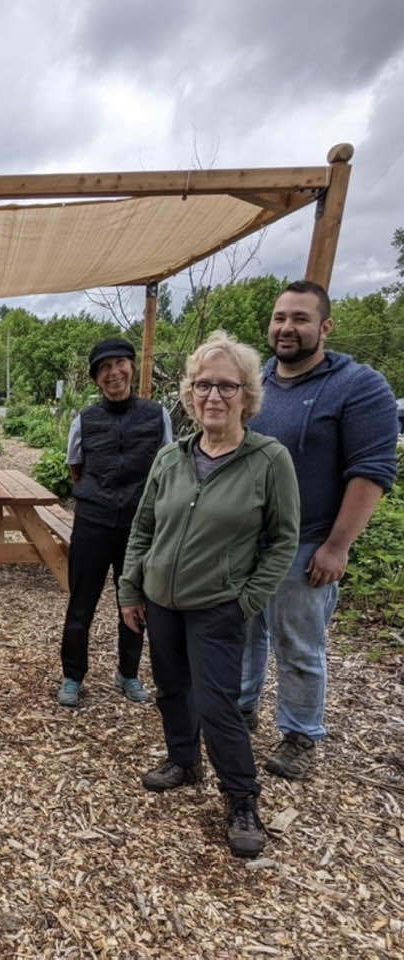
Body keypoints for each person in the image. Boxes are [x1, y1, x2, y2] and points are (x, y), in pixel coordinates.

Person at [119, 332, 300, 858]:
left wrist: (247, 600)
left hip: (218, 606)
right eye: (203, 385)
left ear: (248, 394)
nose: (213, 396)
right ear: (189, 393)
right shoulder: (172, 458)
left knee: (219, 704)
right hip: (161, 601)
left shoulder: (269, 460)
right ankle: (183, 760)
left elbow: (284, 539)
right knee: (171, 688)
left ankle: (242, 797)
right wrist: (132, 587)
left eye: (226, 386)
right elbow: (143, 528)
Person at [239, 280, 399, 778]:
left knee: (299, 645)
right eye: (280, 317)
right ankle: (241, 708)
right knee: (242, 633)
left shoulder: (358, 385)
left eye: (301, 319)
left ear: (325, 326)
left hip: (307, 542)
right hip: (246, 541)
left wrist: (337, 545)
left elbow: (371, 470)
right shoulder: (258, 381)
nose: (287, 327)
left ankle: (299, 734)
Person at [57, 337, 172, 707]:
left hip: (139, 526)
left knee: (135, 602)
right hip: (93, 521)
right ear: (96, 380)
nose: (113, 373)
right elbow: (75, 466)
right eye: (103, 369)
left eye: (119, 364)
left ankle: (129, 673)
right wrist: (99, 494)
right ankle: (73, 675)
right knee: (81, 603)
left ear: (132, 367)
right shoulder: (85, 419)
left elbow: (167, 467)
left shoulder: (157, 415)